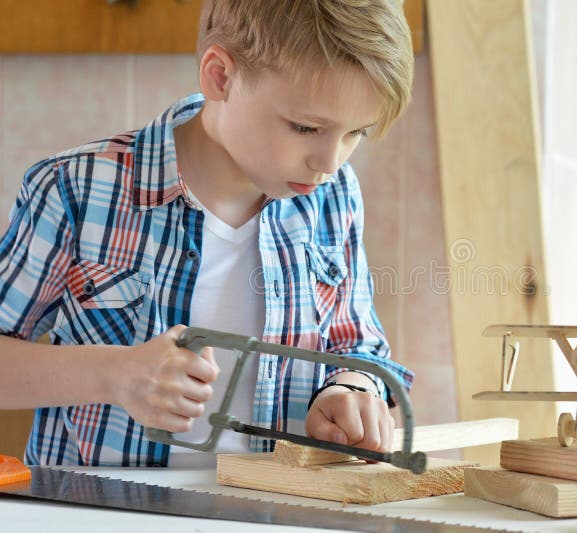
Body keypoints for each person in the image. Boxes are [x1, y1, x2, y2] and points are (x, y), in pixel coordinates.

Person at [0, 0, 414, 467]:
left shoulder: (334, 193)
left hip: (273, 513)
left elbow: (355, 346)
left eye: (356, 132)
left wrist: (350, 388)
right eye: (306, 127)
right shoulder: (78, 187)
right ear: (220, 76)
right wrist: (114, 374)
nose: (331, 161)